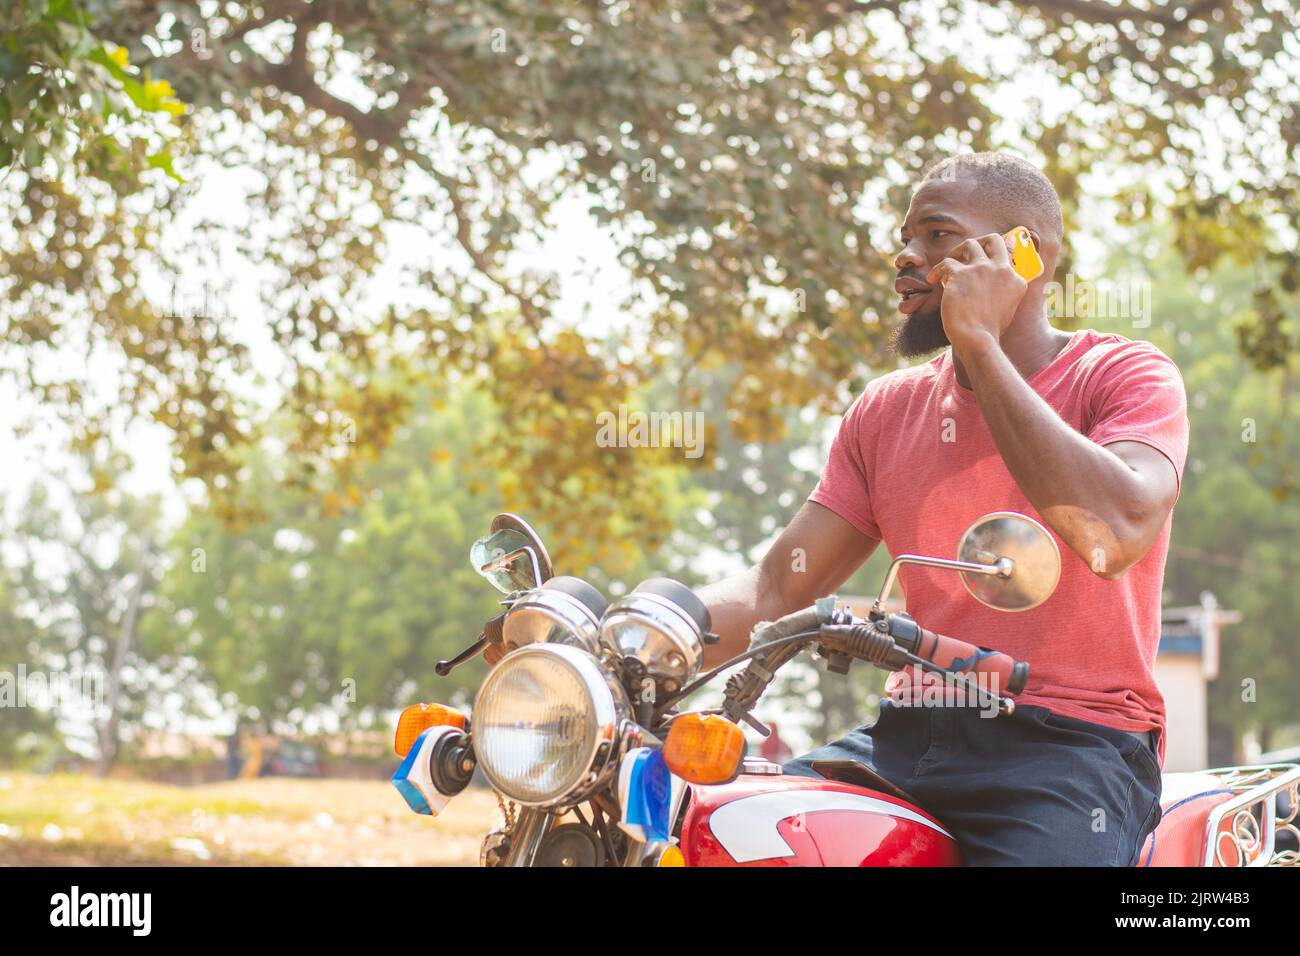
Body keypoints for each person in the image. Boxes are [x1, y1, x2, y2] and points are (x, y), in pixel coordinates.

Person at [695, 152, 1188, 866]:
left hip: (1072, 750)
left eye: (935, 235)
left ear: (1026, 255)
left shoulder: (1121, 375)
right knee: (729, 836)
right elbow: (776, 587)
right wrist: (639, 631)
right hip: (906, 737)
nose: (905, 256)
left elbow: (1113, 533)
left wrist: (980, 343)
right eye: (906, 236)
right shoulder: (885, 410)